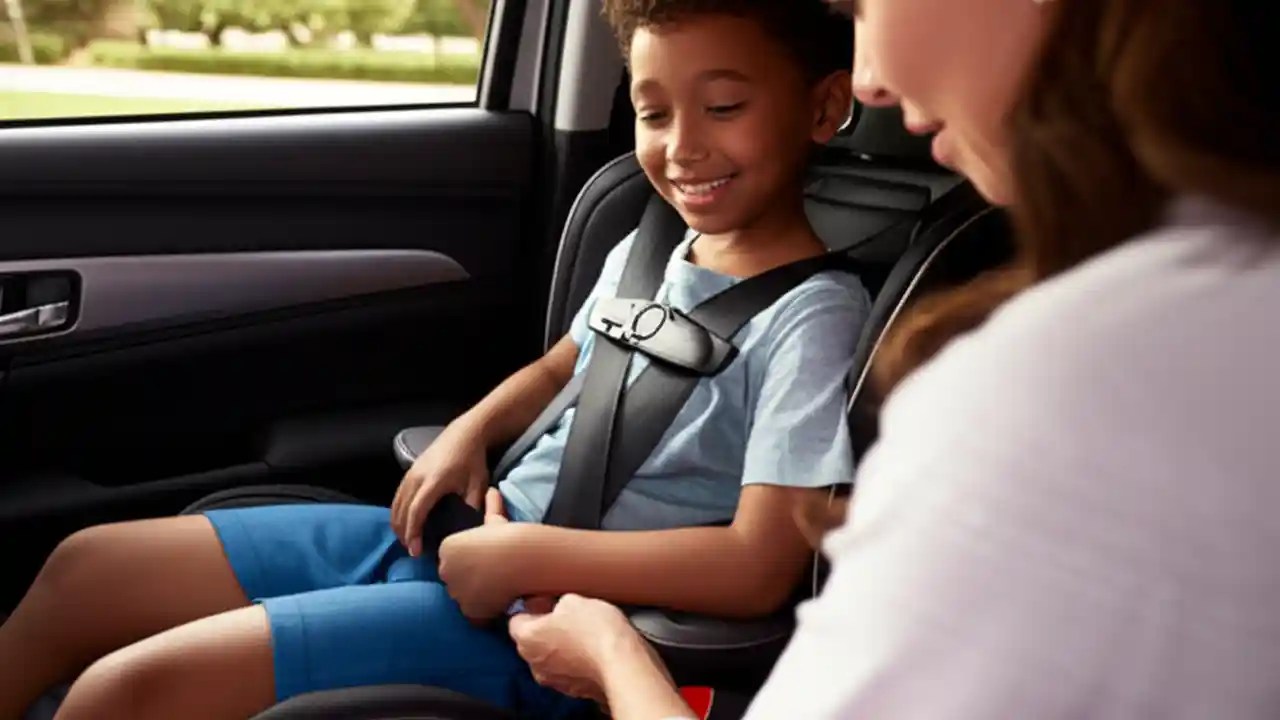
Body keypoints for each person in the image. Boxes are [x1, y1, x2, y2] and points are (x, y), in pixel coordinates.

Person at [0, 2, 870, 719]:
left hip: (553, 625)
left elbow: (760, 565)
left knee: (127, 692)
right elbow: (565, 368)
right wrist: (470, 431)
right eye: (653, 112)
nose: (681, 146)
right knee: (88, 566)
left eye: (722, 109)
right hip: (467, 543)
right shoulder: (653, 245)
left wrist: (533, 558)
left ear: (825, 109)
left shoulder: (815, 317)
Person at [507, 0, 1280, 717]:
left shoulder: (1067, 384)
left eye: (870, 3)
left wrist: (611, 658)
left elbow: (757, 561)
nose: (871, 77)